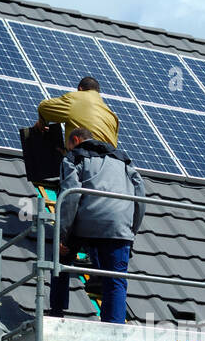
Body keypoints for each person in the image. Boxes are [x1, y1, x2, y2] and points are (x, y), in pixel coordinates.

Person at [49, 126, 145, 325]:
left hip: (87, 222)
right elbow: (140, 195)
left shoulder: (74, 157)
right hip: (120, 227)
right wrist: (131, 231)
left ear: (75, 140)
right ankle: (114, 326)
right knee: (116, 278)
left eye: (68, 145)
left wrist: (62, 235)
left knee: (61, 260)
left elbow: (70, 195)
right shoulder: (123, 159)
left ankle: (57, 314)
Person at [35, 75, 118, 149]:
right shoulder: (112, 115)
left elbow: (43, 107)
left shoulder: (76, 99)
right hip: (112, 162)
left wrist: (42, 123)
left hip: (86, 159)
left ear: (80, 89)